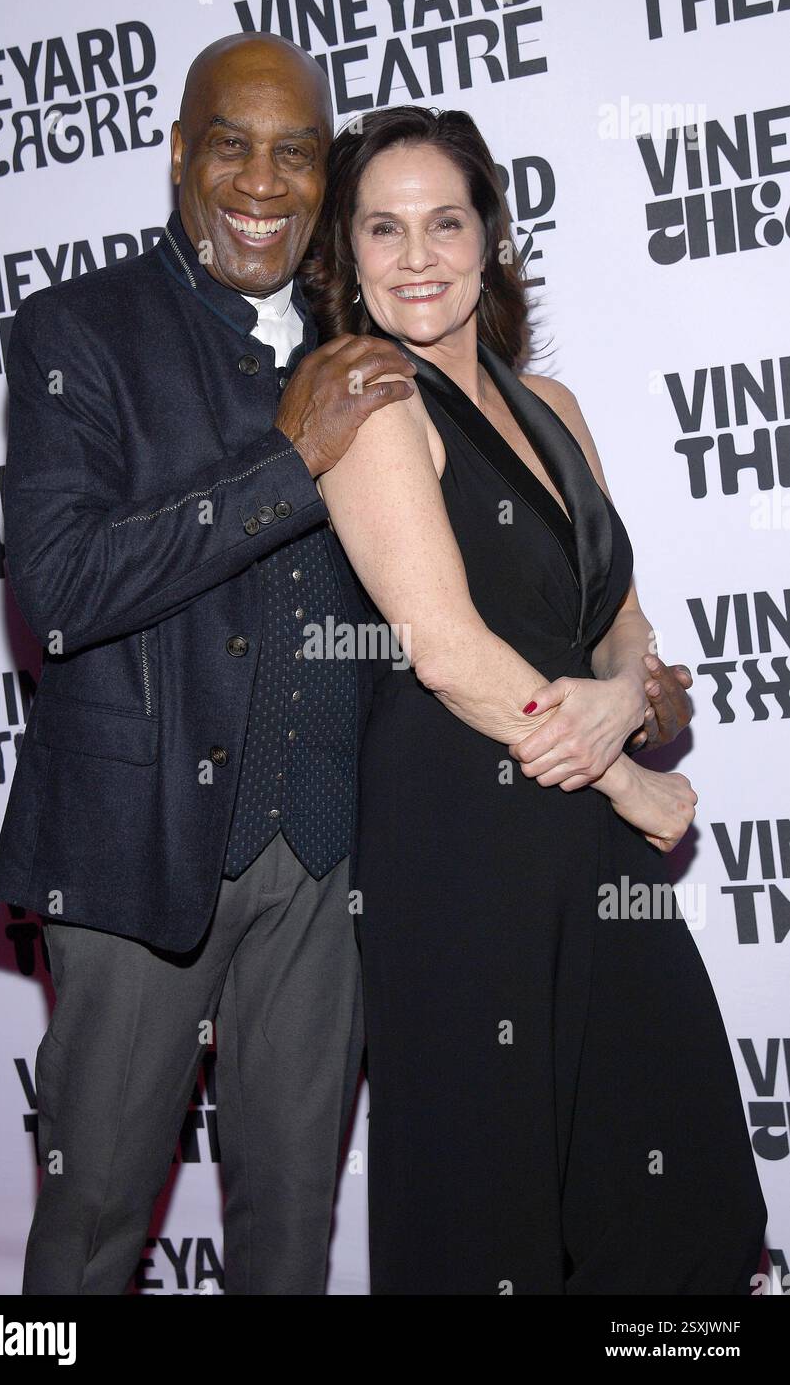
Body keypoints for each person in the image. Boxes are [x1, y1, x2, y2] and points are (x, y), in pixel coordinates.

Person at [304, 105, 768, 1295]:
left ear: (492, 237)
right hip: (460, 838)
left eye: (444, 221)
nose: (417, 255)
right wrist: (620, 764)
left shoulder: (553, 406)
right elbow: (446, 648)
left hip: (590, 841)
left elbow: (622, 620)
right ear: (346, 259)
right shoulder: (365, 397)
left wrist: (621, 705)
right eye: (383, 228)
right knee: (488, 1195)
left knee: (667, 1182)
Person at [0, 33, 418, 1296]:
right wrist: (289, 466)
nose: (263, 182)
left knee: (289, 1234)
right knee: (89, 1233)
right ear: (180, 151)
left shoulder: (369, 336)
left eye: (296, 153)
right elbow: (60, 589)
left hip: (325, 857)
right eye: (232, 142)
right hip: (136, 851)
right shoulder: (79, 329)